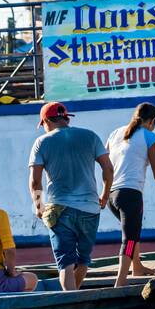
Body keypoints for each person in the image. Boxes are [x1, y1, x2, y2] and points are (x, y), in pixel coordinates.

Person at [28, 102, 113, 291]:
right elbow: (108, 168)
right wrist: (105, 195)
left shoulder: (42, 142)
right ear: (66, 118)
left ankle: (70, 301)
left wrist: (39, 205)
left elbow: (35, 181)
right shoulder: (90, 136)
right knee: (83, 261)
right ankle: (74, 298)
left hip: (59, 209)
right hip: (90, 209)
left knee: (65, 263)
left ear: (46, 121)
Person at [105, 102, 155, 287]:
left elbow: (106, 165)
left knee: (133, 230)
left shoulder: (115, 133)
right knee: (130, 239)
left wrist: (103, 192)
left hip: (112, 195)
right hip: (129, 194)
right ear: (152, 121)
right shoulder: (150, 136)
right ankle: (120, 283)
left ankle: (137, 267)